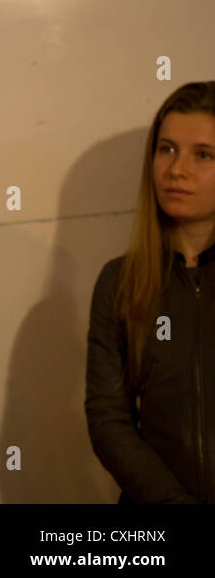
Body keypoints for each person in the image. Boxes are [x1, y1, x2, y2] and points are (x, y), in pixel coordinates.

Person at [86, 80, 215, 503]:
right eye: (167, 149)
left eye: (203, 155)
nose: (177, 169)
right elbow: (109, 419)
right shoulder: (119, 281)